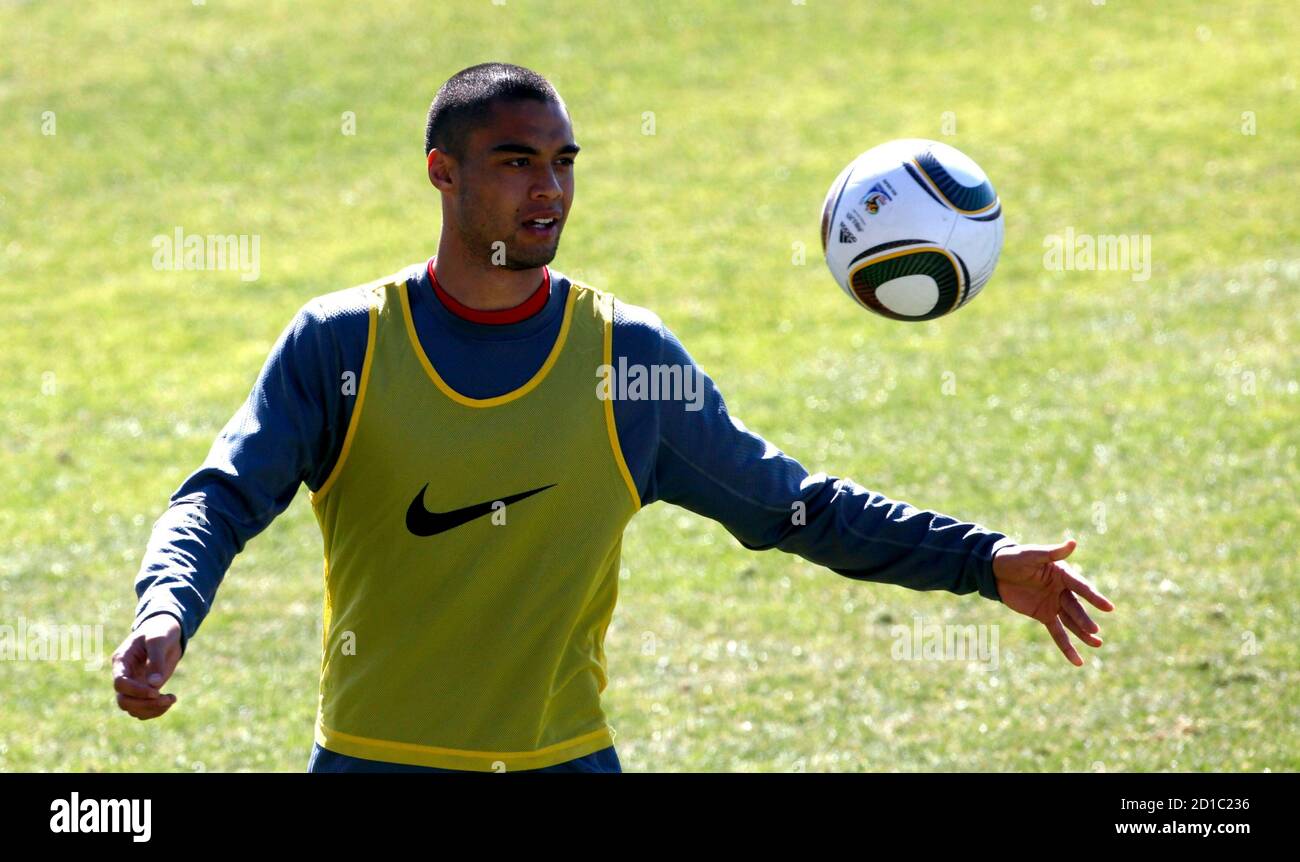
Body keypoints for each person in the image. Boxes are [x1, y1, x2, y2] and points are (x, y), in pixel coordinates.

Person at [111, 62, 1114, 773]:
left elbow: (792, 506)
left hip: (562, 761)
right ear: (441, 172)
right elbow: (220, 497)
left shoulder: (625, 364)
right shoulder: (341, 345)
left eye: (562, 161)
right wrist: (168, 607)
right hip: (375, 763)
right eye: (513, 162)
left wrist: (976, 560)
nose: (547, 189)